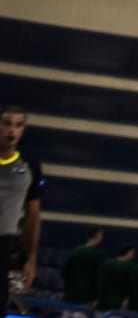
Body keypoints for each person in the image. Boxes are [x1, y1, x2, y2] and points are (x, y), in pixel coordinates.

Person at [0, 106, 42, 310]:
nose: (12, 130)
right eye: (7, 124)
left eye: (18, 125)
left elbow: (33, 216)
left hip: (6, 242)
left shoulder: (30, 166)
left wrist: (31, 258)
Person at [62, 226, 106, 305]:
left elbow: (64, 272)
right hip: (86, 300)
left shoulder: (76, 251)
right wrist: (96, 299)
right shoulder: (98, 255)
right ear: (98, 235)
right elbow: (100, 278)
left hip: (70, 297)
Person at [98, 243, 137, 312]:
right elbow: (130, 288)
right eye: (132, 252)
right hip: (119, 303)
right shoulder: (130, 268)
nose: (133, 254)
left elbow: (101, 281)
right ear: (128, 252)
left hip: (104, 302)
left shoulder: (108, 263)